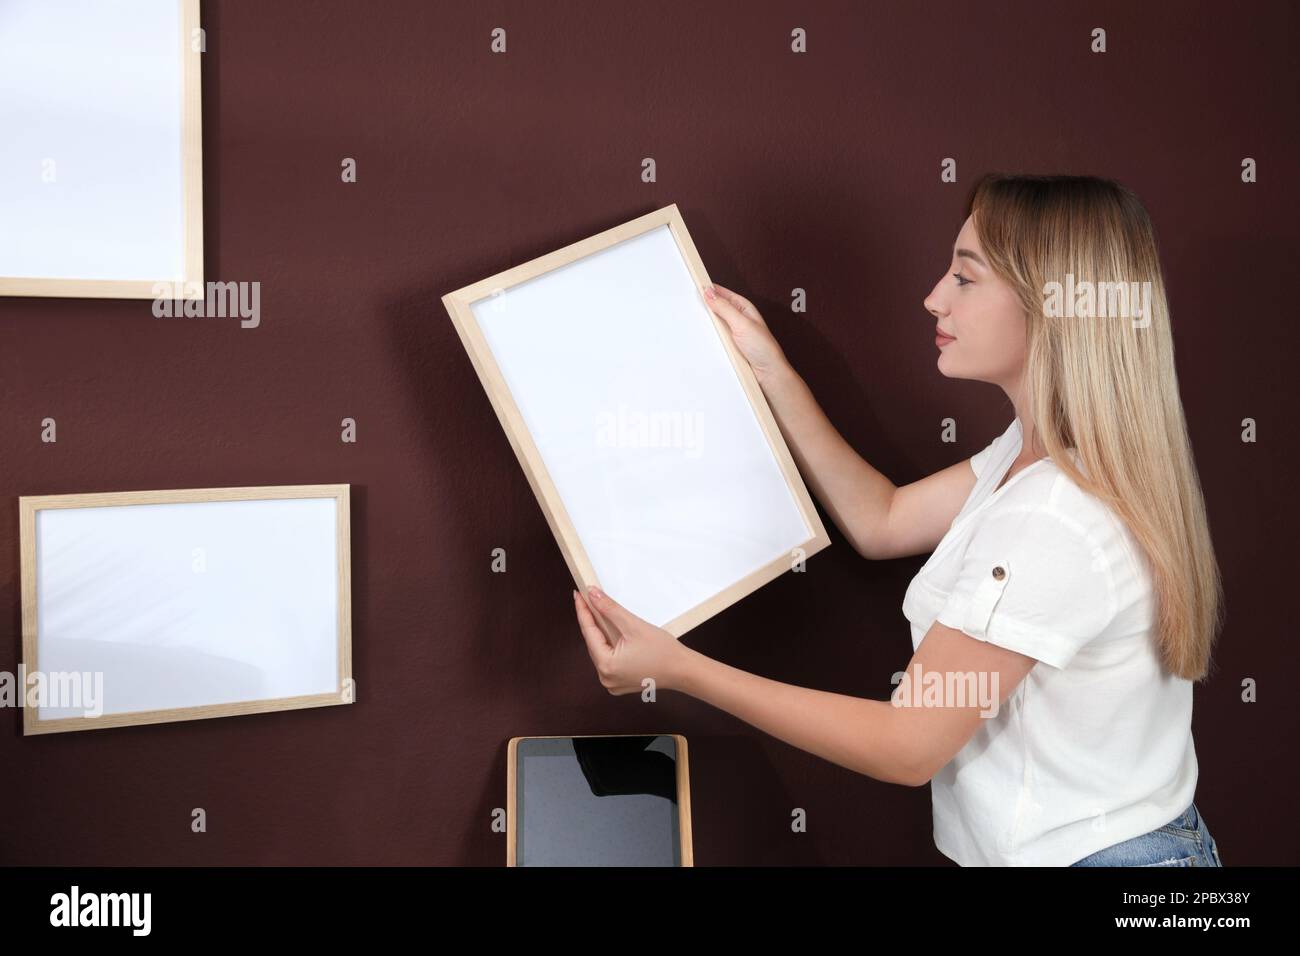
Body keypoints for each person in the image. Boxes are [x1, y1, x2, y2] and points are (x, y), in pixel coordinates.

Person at [572, 173, 1224, 867]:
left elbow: (907, 746)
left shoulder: (1056, 519)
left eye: (965, 279)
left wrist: (679, 670)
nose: (934, 297)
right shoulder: (1040, 453)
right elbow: (881, 519)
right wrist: (774, 373)